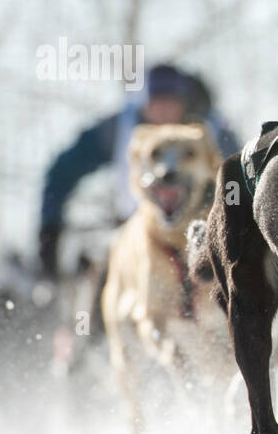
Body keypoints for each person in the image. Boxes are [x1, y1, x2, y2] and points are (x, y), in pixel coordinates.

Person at [37, 64, 239, 279]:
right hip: (136, 233)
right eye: (156, 103)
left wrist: (236, 218)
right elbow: (63, 172)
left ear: (184, 103)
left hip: (199, 233)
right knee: (106, 280)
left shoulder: (210, 132)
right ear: (144, 103)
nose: (163, 111)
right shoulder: (119, 129)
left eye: (170, 102)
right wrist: (50, 224)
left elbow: (236, 179)